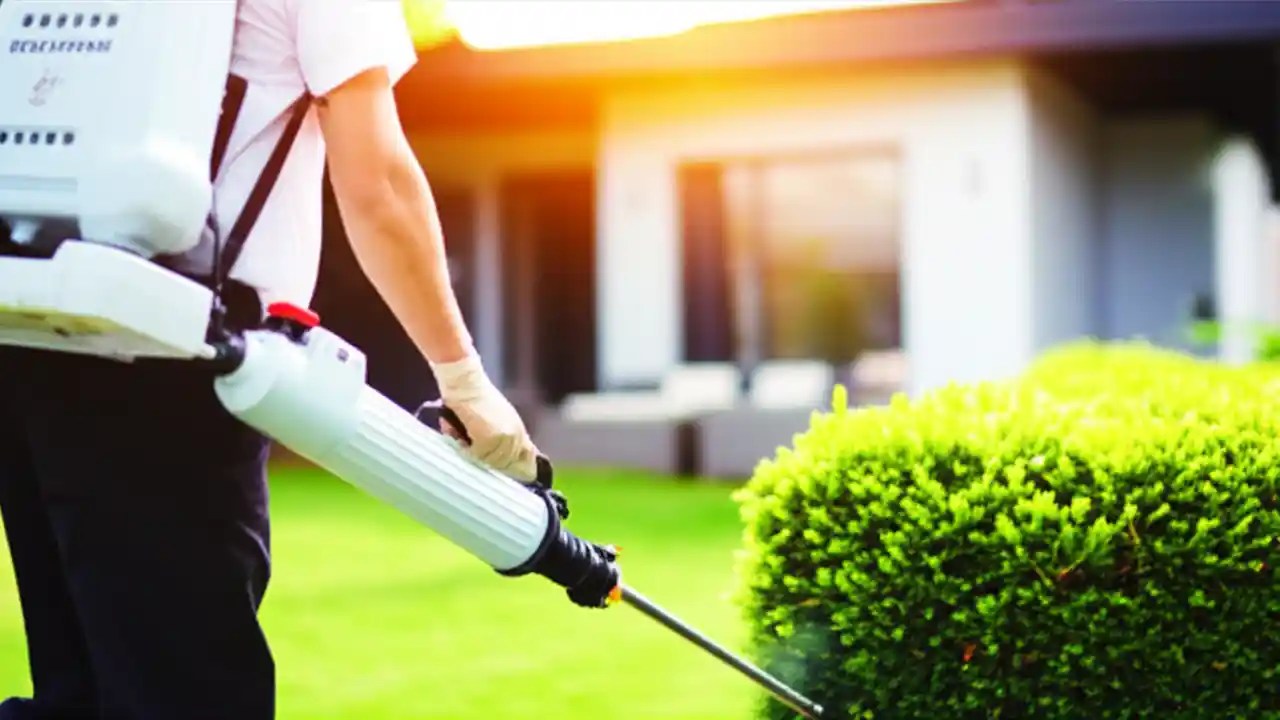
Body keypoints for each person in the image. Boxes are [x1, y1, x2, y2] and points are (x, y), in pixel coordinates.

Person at [0, 1, 538, 717]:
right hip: (168, 363)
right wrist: (463, 376)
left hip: (37, 329)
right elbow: (376, 181)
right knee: (189, 693)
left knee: (78, 691)